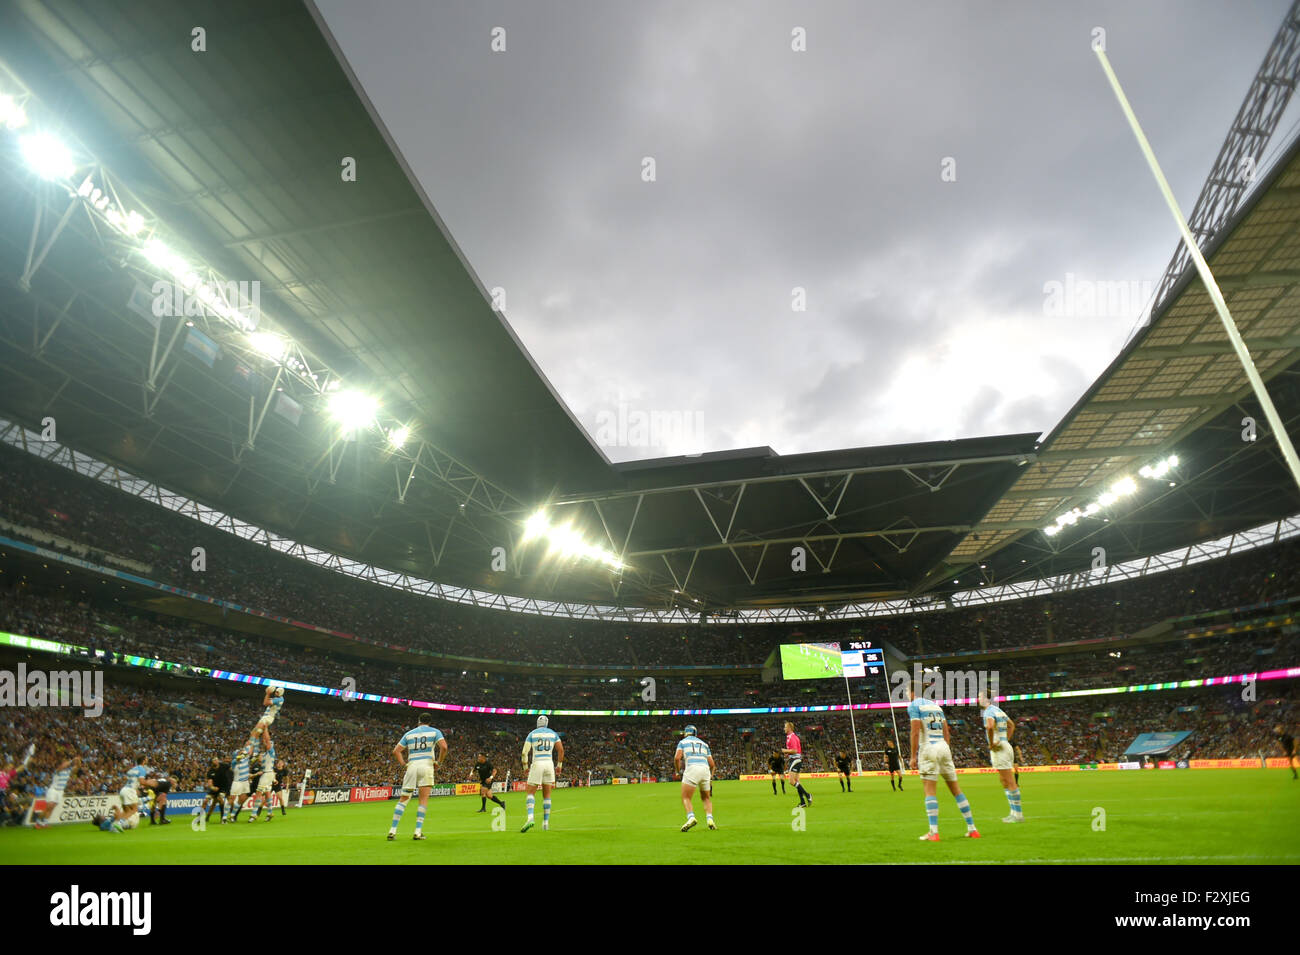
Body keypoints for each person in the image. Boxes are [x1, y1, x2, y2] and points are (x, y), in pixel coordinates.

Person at [908, 686, 979, 841]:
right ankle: (972, 828)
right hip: (943, 747)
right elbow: (947, 732)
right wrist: (946, 749)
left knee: (930, 791)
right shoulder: (936, 706)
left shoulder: (914, 705)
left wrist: (913, 756)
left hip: (929, 747)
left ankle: (934, 832)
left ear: (913, 692)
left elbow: (915, 732)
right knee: (956, 790)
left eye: (908, 692)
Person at [388, 721, 447, 841]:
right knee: (423, 800)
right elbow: (444, 747)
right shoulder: (435, 731)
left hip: (412, 766)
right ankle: (417, 832)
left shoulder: (409, 733)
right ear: (429, 722)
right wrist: (439, 762)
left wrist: (404, 764)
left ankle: (392, 830)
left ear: (419, 722)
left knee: (404, 799)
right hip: (426, 766)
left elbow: (396, 751)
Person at [980, 691, 1023, 822]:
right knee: (1004, 780)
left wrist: (992, 744)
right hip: (1005, 745)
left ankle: (1018, 815)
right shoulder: (998, 710)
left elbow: (990, 727)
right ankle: (1013, 812)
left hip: (999, 749)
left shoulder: (988, 711)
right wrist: (1005, 740)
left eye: (980, 697)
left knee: (1009, 781)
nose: (978, 700)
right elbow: (1012, 725)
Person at [521, 715, 564, 833]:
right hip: (549, 764)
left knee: (530, 793)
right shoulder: (553, 734)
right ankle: (545, 824)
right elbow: (560, 750)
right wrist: (559, 766)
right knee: (547, 795)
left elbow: (524, 753)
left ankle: (530, 818)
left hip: (537, 763)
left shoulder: (532, 734)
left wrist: (525, 766)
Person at [673, 724, 716, 831]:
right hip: (705, 770)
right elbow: (712, 765)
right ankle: (710, 819)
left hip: (692, 769)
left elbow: (677, 758)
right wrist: (710, 778)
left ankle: (691, 817)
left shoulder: (682, 742)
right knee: (706, 798)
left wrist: (678, 772)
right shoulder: (704, 744)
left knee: (686, 797)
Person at [34, 756, 78, 828]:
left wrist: (78, 761)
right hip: (53, 790)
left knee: (52, 807)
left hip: (60, 791)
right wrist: (72, 760)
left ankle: (45, 823)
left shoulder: (69, 771)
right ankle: (38, 821)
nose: (66, 764)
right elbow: (63, 766)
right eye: (64, 762)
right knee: (49, 806)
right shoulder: (58, 771)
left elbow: (76, 768)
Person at [782, 722, 812, 807]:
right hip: (795, 759)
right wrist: (788, 753)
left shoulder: (792, 737)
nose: (784, 729)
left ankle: (807, 795)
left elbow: (795, 750)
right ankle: (802, 802)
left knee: (791, 781)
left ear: (789, 728)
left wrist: (785, 751)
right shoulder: (791, 737)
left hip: (795, 760)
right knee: (797, 782)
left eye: (785, 727)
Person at [225, 744, 253, 823]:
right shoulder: (234, 762)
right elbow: (238, 758)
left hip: (243, 782)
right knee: (231, 800)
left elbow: (249, 755)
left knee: (242, 799)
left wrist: (251, 746)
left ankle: (232, 816)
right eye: (239, 753)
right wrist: (244, 753)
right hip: (235, 783)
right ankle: (225, 817)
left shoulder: (244, 762)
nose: (241, 754)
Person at [204, 756, 231, 822]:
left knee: (220, 799)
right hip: (215, 788)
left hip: (224, 787)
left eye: (217, 759)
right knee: (206, 801)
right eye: (214, 760)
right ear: (212, 762)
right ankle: (203, 817)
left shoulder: (224, 765)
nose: (216, 761)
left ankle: (223, 817)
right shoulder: (210, 771)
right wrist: (212, 787)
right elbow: (210, 783)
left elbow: (232, 769)